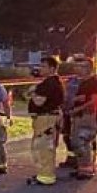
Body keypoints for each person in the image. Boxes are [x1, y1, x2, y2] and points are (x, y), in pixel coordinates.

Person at [26, 56, 65, 185]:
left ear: (52, 68)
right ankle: (44, 174)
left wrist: (32, 92)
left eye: (43, 66)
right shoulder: (53, 82)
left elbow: (39, 102)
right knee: (45, 147)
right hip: (49, 118)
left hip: (46, 119)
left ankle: (46, 177)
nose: (40, 69)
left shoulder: (49, 83)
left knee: (43, 148)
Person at [70, 58, 97, 180]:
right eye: (76, 66)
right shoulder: (81, 82)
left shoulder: (94, 82)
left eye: (81, 66)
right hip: (79, 116)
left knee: (80, 141)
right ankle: (82, 169)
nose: (77, 69)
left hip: (88, 116)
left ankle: (86, 169)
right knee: (80, 142)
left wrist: (77, 109)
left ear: (88, 68)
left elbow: (94, 101)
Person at [61, 73, 81, 169]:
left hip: (79, 113)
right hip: (67, 112)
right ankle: (71, 158)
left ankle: (80, 161)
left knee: (78, 138)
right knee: (67, 136)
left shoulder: (88, 81)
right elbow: (65, 95)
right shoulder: (70, 80)